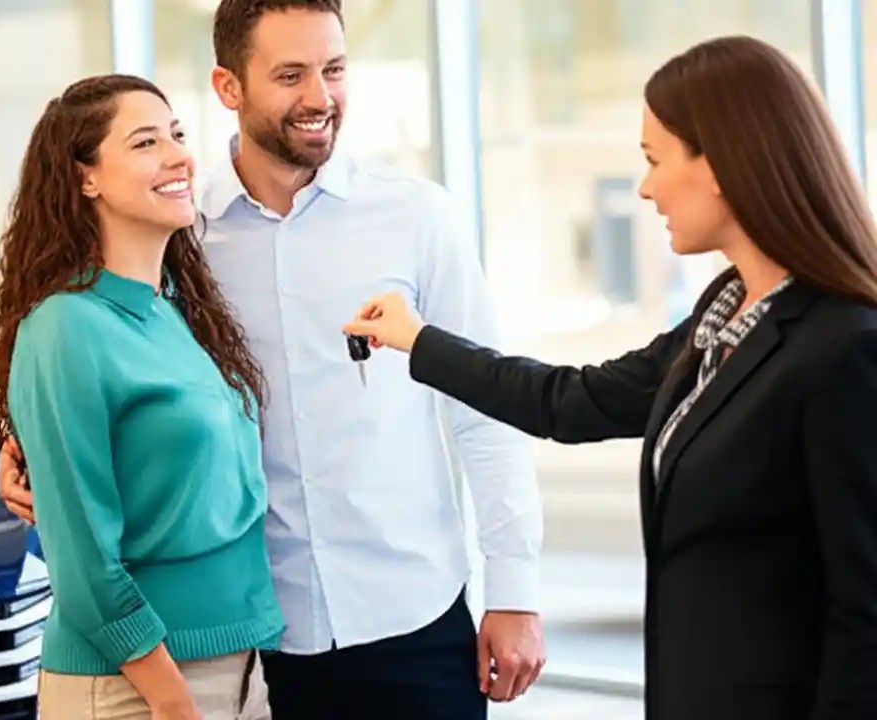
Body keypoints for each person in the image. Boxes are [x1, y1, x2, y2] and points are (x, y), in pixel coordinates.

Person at [0, 2, 546, 718]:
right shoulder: (178, 236)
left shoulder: (415, 217)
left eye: (334, 70)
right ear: (229, 87)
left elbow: (484, 410)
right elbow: (89, 370)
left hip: (412, 619)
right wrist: (16, 446)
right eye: (290, 75)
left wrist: (514, 590)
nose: (319, 97)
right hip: (260, 646)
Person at [344, 35, 877, 720]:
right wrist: (419, 341)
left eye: (655, 160)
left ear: (720, 163)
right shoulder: (721, 314)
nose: (646, 187)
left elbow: (865, 618)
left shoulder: (844, 349)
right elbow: (571, 402)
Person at [0, 74, 284, 720]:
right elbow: (83, 560)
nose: (178, 155)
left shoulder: (181, 313)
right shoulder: (65, 328)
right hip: (136, 688)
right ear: (85, 177)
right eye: (146, 142)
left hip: (239, 672)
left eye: (177, 135)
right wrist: (172, 701)